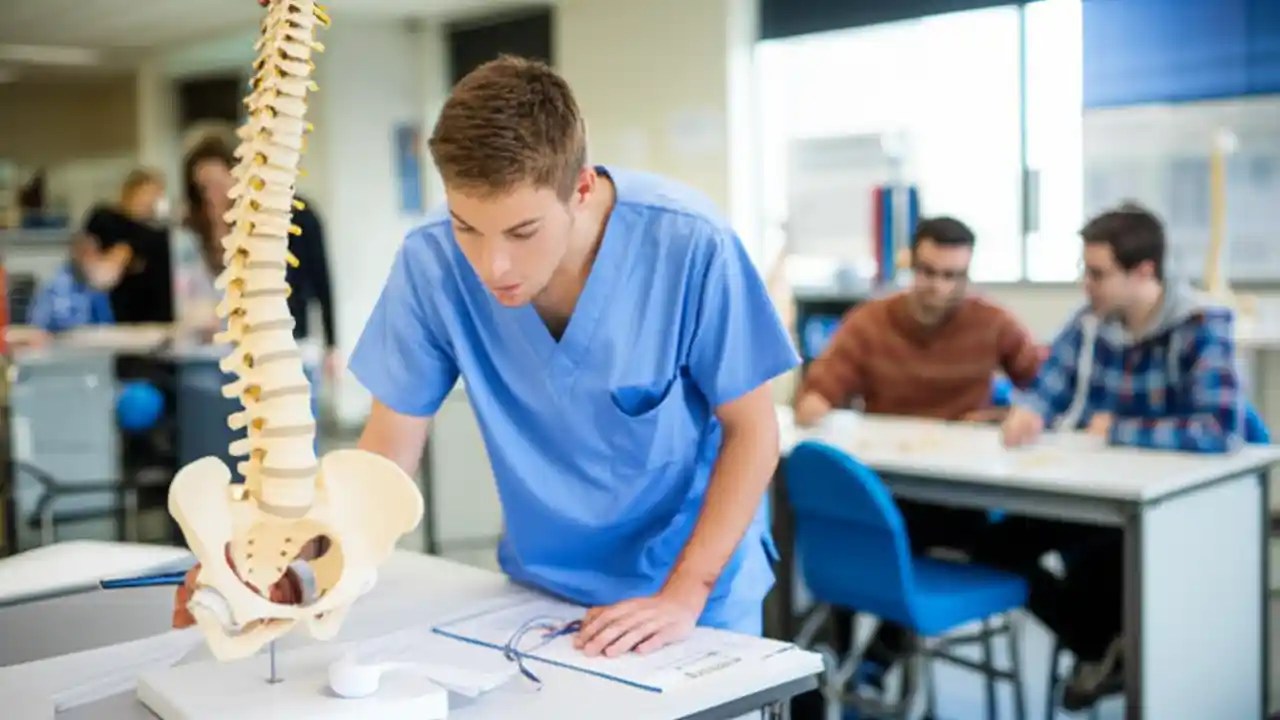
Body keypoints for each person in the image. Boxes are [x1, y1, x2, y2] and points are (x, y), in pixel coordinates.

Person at [173, 55, 799, 657]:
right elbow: (388, 451)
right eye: (466, 226)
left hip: (691, 602)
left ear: (580, 188)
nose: (491, 265)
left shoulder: (688, 246)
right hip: (540, 599)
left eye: (522, 232)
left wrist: (683, 596)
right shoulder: (433, 264)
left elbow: (754, 431)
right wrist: (292, 557)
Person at [790, 216, 1043, 706]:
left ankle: (870, 660)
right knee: (870, 524)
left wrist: (1008, 414)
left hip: (962, 495)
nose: (939, 288)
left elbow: (1046, 390)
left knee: (924, 537)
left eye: (953, 276)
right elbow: (817, 392)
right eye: (929, 273)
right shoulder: (871, 321)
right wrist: (819, 400)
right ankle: (862, 660)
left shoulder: (992, 322)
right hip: (891, 485)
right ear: (911, 265)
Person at [1000, 202, 1243, 710]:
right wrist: (1029, 413)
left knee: (1097, 560)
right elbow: (1049, 388)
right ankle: (1100, 646)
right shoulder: (1092, 322)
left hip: (1168, 512)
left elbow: (1219, 430)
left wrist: (1124, 430)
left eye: (1097, 274)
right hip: (1092, 497)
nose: (1085, 284)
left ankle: (1106, 648)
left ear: (1144, 272)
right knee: (993, 543)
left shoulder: (1201, 325)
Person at [182, 135, 338, 373]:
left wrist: (332, 344)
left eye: (218, 185)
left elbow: (322, 281)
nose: (212, 196)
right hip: (229, 350)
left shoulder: (295, 215)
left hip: (286, 342)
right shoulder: (206, 227)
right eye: (204, 189)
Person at [83, 168, 174, 324]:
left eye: (158, 194)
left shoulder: (161, 235)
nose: (153, 200)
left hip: (159, 315)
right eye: (149, 193)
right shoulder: (107, 220)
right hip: (121, 311)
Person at [26, 233, 128, 335]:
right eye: (86, 253)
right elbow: (46, 325)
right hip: (57, 345)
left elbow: (106, 324)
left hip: (93, 346)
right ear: (75, 254)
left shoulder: (95, 286)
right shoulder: (56, 284)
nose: (91, 259)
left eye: (94, 253)